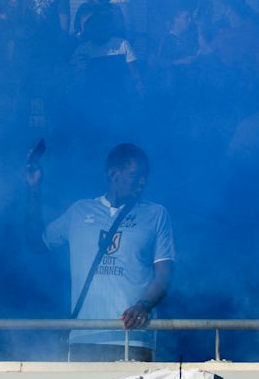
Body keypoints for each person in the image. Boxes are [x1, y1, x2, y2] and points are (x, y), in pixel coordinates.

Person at [25, 143, 175, 361]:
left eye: (146, 176)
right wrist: (33, 189)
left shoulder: (155, 214)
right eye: (136, 175)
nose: (143, 182)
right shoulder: (79, 211)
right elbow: (35, 243)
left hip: (132, 338)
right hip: (84, 338)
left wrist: (144, 305)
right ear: (113, 173)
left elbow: (165, 275)